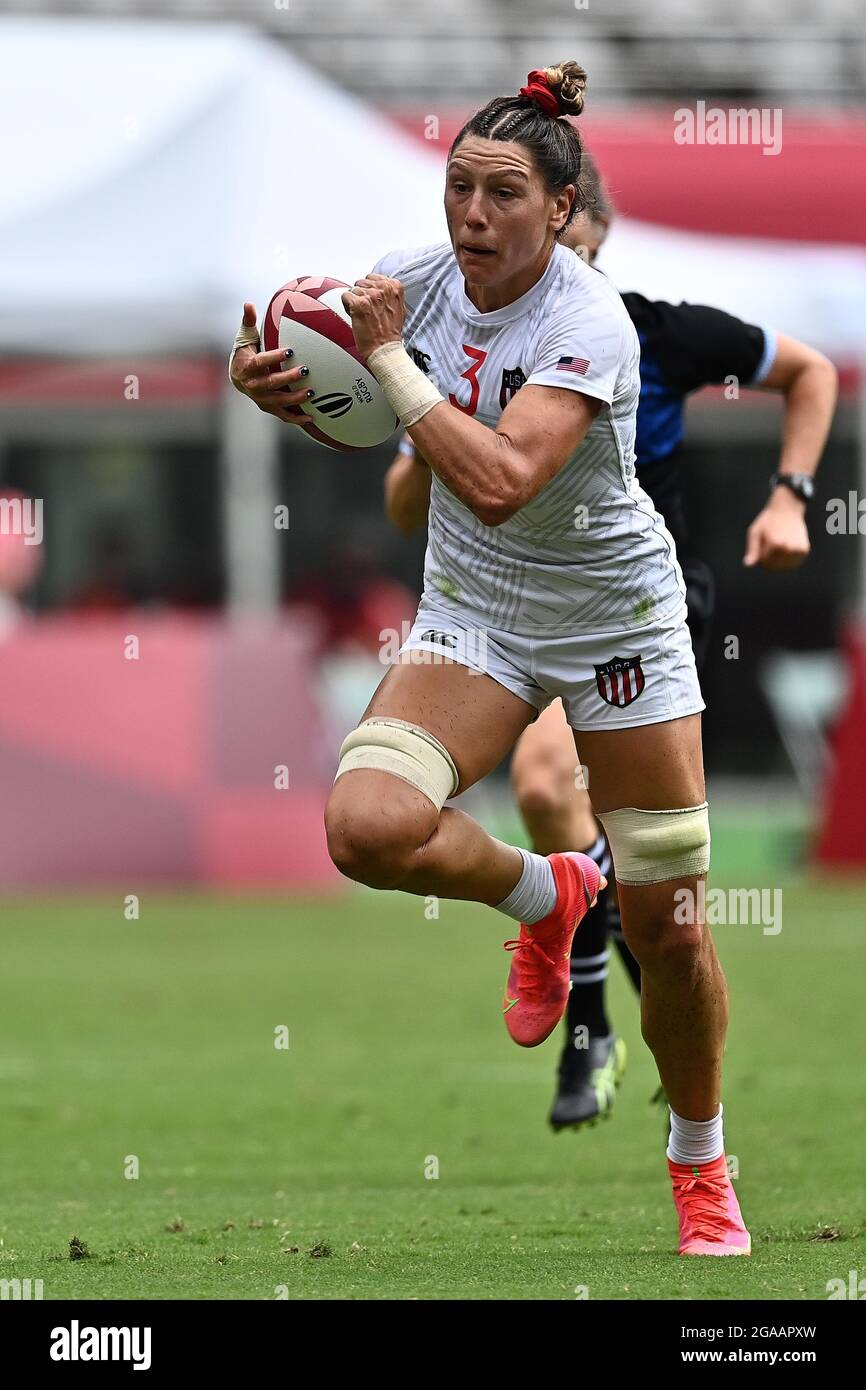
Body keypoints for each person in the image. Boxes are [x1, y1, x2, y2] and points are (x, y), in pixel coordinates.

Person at [230, 62, 750, 1256]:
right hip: (475, 613)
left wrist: (391, 365)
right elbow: (324, 358)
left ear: (559, 211)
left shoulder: (587, 321)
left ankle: (699, 1161)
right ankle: (550, 892)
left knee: (669, 925)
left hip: (615, 617)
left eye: (502, 194)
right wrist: (265, 378)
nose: (470, 214)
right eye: (457, 187)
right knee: (365, 826)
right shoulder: (411, 284)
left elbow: (505, 482)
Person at [384, 150, 838, 1132]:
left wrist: (791, 500)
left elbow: (807, 370)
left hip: (632, 612)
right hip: (507, 609)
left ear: (578, 233)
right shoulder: (466, 336)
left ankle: (606, 1023)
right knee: (556, 808)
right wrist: (425, 429)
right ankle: (590, 1002)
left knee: (636, 875)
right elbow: (403, 501)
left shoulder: (653, 332)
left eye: (577, 249)